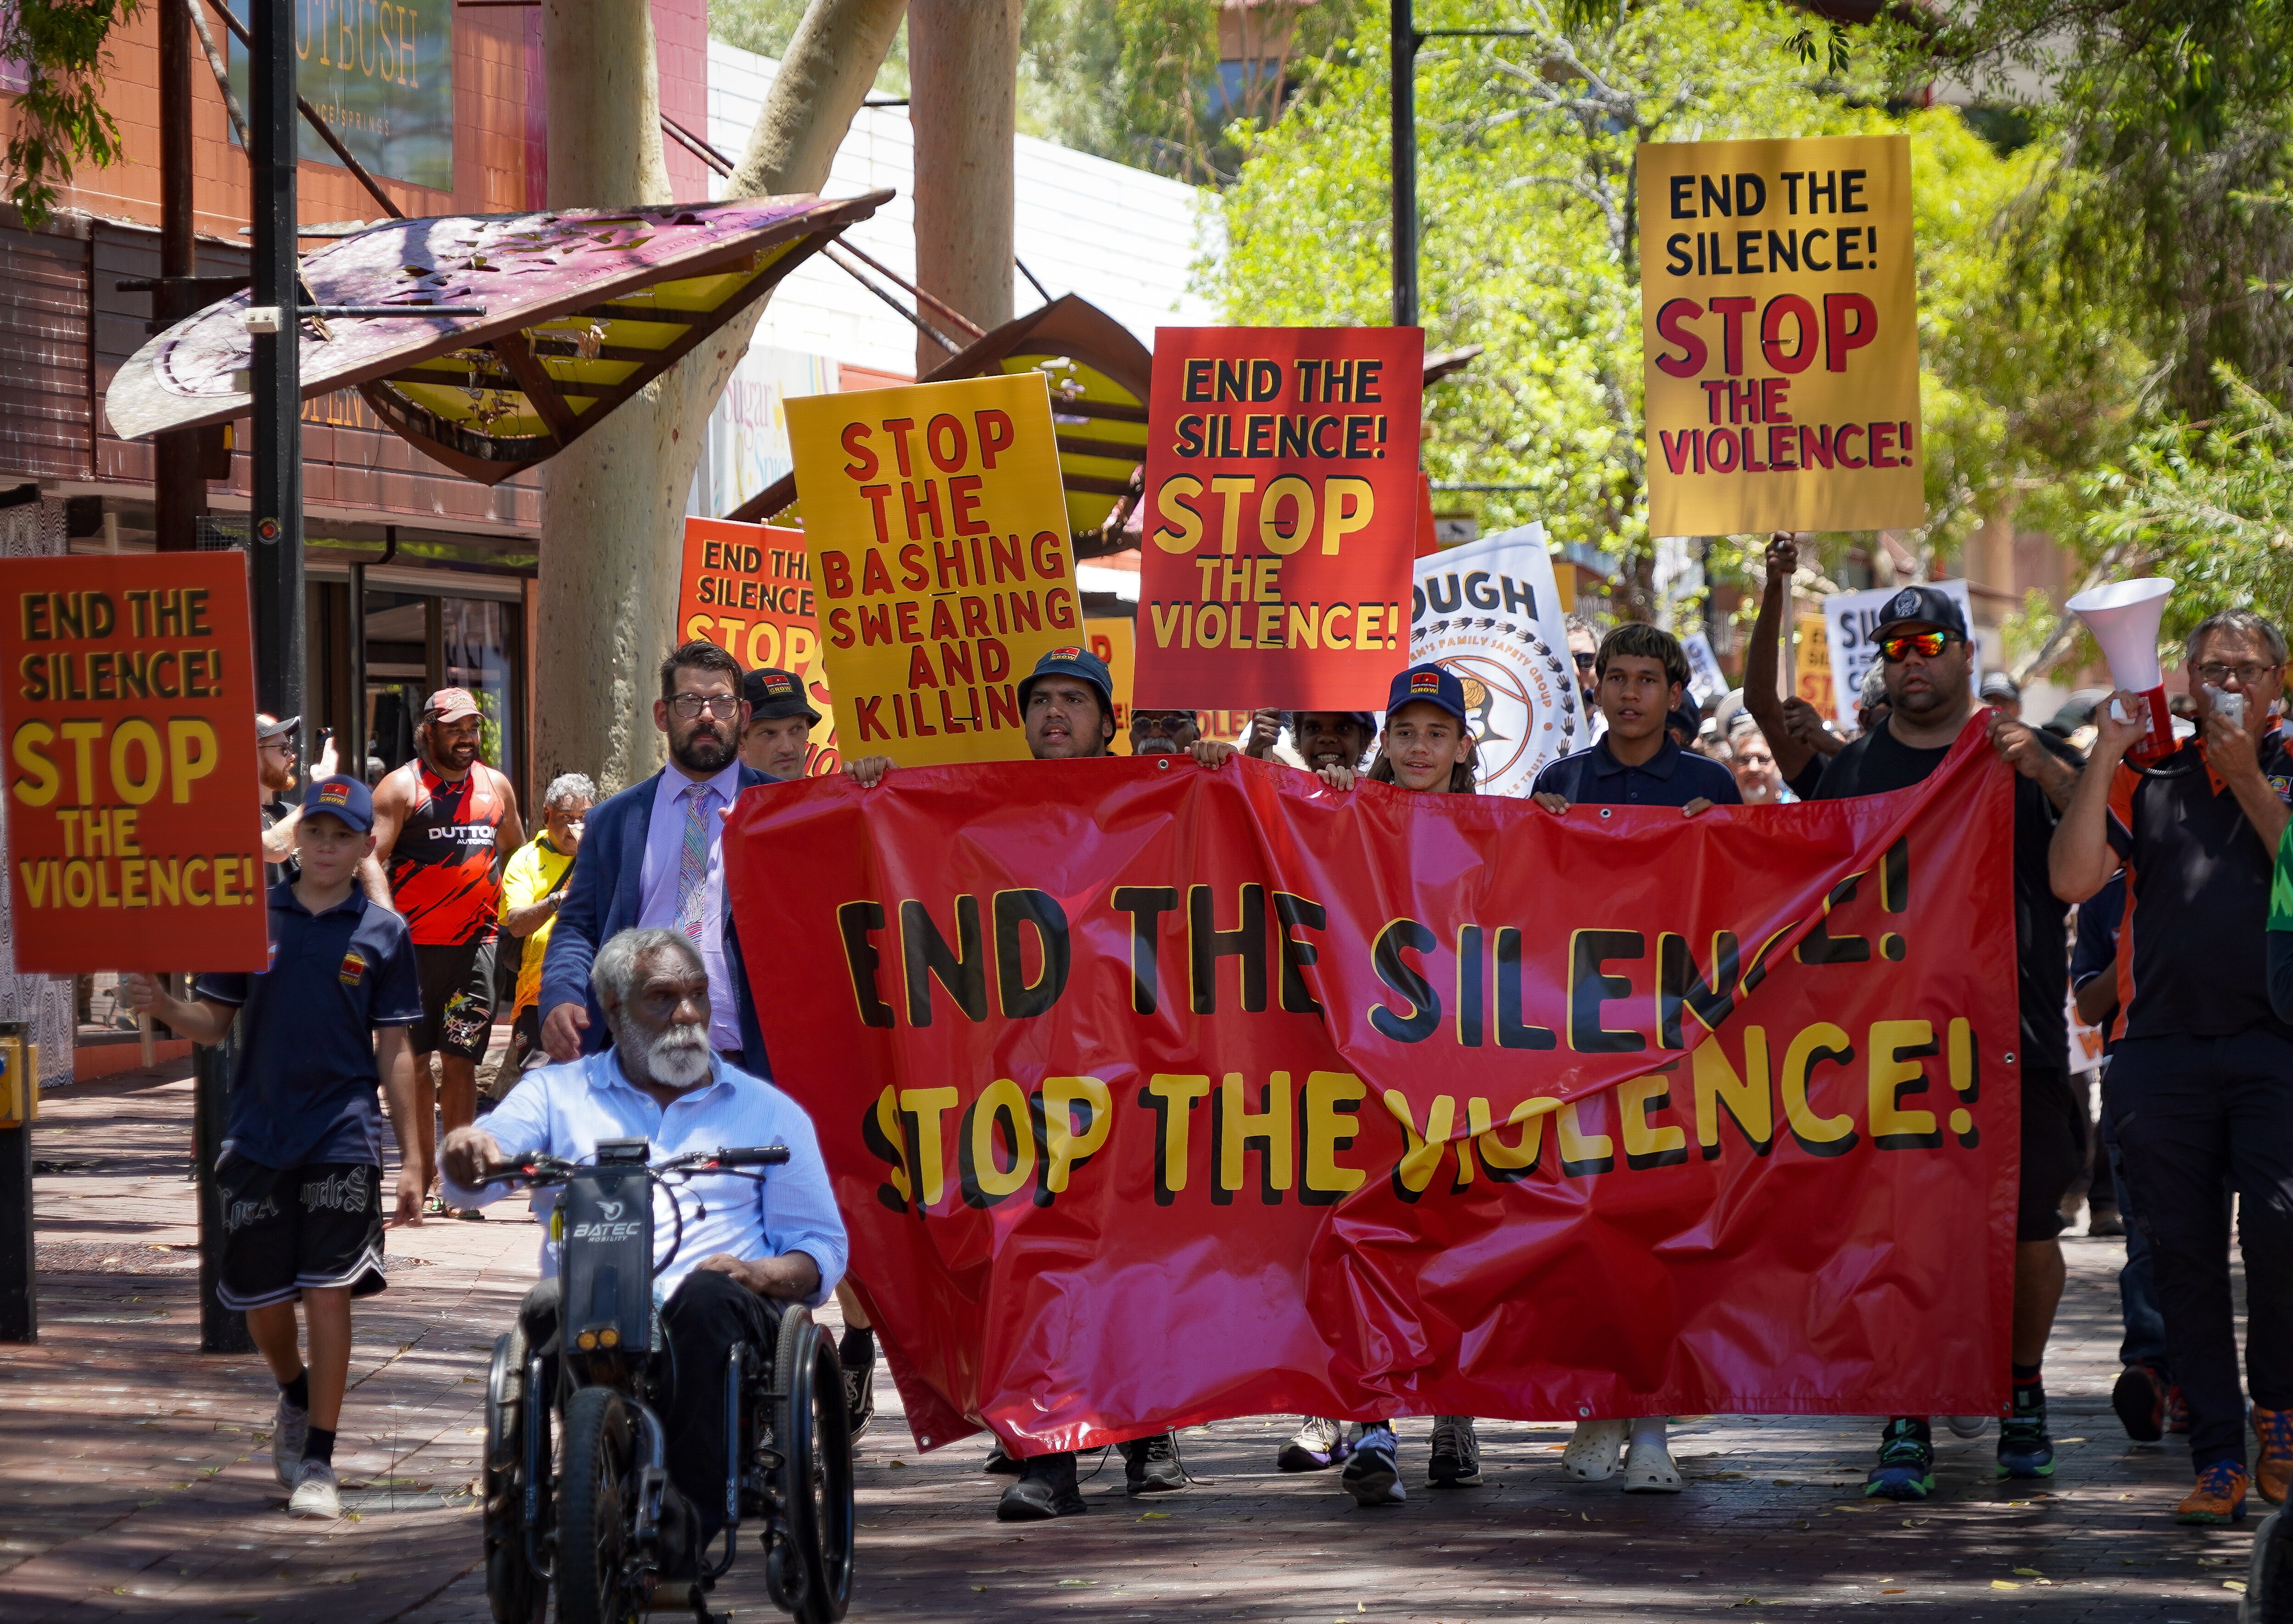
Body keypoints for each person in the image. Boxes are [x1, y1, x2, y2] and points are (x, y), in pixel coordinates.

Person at [1745, 535, 2085, 1502]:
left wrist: (2051, 773)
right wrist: (1773, 590)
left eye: (1928, 646)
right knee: (1897, 1232)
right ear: (1879, 668)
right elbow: (1765, 711)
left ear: (1962, 654)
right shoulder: (1849, 772)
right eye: (1893, 652)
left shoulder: (2015, 754)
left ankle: (2020, 1390)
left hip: (2010, 1045)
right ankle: (1906, 1405)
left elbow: (2087, 852)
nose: (1911, 662)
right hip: (1885, 1049)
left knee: (2025, 1234)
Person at [844, 648, 1189, 1515]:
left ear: (1108, 721)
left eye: (1075, 700)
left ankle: (1148, 1435)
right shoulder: (978, 804)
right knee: (1035, 1256)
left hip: (1138, 1069)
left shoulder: (1159, 796)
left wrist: (1218, 770)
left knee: (1131, 1258)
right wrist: (874, 790)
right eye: (1042, 702)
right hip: (1018, 1079)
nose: (1056, 714)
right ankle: (1050, 1458)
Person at [441, 927, 847, 1575]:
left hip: (724, 1313)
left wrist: (760, 1273)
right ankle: (599, 1455)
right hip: (596, 1304)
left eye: (698, 997)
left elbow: (820, 1247)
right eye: (662, 999)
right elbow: (476, 1170)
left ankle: (682, 1524)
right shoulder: (557, 1094)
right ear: (612, 1008)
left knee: (709, 1298)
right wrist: (471, 1149)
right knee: (549, 1303)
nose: (687, 1016)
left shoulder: (767, 1113)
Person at [119, 775, 424, 1520]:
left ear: (364, 846)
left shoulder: (384, 933)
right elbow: (214, 1024)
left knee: (328, 1288)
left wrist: (414, 1157)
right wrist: (162, 1007)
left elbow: (395, 1048)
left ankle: (319, 1457)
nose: (326, 846)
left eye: (342, 836)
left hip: (343, 1128)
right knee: (262, 1299)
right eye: (315, 832)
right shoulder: (250, 919)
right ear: (299, 839)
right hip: (258, 1129)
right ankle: (292, 1390)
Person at [1226, 664, 1483, 1505]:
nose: (1418, 747)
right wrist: (1310, 791)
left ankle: (1452, 1414)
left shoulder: (1499, 828)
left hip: (1457, 1073)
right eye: (1405, 732)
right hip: (1360, 1069)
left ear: (1461, 745)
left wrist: (1555, 827)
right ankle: (1372, 1423)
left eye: (1434, 733)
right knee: (1367, 1235)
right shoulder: (1344, 811)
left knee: (1445, 1245)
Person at [2058, 609, 2293, 1524]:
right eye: (2209, 667)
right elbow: (2072, 879)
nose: (2226, 681)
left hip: (2272, 1044)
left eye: (2244, 666)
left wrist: (2246, 784)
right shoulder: (2147, 772)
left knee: (2279, 1232)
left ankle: (2275, 1407)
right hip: (2157, 1052)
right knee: (2179, 1258)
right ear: (2184, 680)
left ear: (2276, 680)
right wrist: (2097, 759)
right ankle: (2216, 1459)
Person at [1526, 624, 1735, 1491]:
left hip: (1677, 1044)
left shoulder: (1708, 784)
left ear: (1674, 692)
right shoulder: (1560, 783)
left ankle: (1652, 1426)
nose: (1628, 694)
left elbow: (1742, 905)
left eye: (1646, 680)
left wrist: (1719, 834)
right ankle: (1595, 1408)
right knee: (1585, 1230)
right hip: (1579, 1042)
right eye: (1615, 678)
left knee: (1660, 1235)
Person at [370, 688, 525, 1218]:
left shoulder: (494, 785)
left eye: (473, 727)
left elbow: (516, 855)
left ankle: (460, 1181)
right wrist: (385, 927)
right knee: (414, 1063)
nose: (467, 737)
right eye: (456, 727)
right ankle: (420, 1169)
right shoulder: (401, 788)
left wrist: (515, 924)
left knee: (460, 1063)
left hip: (475, 948)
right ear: (428, 730)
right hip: (411, 952)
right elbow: (372, 861)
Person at [2072, 874, 2184, 1440]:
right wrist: (2138, 948)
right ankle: (2151, 1372)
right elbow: (2087, 1007)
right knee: (2149, 1240)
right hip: (2135, 1078)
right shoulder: (2103, 896)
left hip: (2226, 1071)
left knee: (2228, 1237)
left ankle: (2200, 1377)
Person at [495, 773, 593, 1087]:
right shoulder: (526, 858)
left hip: (593, 992)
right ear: (546, 816)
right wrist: (556, 901)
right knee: (540, 1080)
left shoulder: (602, 856)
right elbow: (517, 922)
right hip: (537, 995)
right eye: (566, 818)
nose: (576, 827)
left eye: (583, 818)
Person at [738, 667, 820, 780]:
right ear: (740, 741)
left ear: (807, 730)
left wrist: (853, 789)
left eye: (796, 729)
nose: (787, 748)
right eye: (769, 733)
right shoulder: (723, 798)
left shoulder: (839, 796)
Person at [1726, 724, 1786, 805]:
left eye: (1763, 759)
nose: (1753, 768)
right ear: (1732, 768)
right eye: (1745, 760)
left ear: (1779, 766)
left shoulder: (1801, 814)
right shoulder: (1716, 816)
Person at [1130, 706, 1203, 756]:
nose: (1156, 734)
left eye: (1171, 723)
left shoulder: (1209, 777)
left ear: (1195, 737)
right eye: (1142, 724)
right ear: (1130, 737)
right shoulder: (1119, 777)